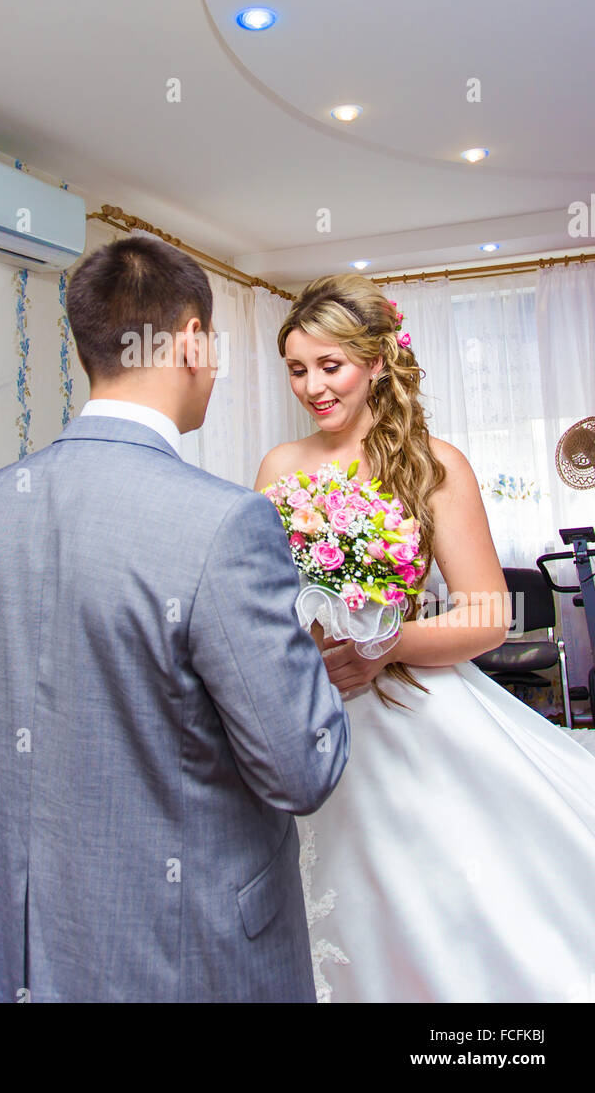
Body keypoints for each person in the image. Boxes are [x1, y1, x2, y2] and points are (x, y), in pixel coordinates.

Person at [0, 235, 349, 1003]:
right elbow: (302, 769)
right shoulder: (225, 523)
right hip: (186, 955)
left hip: (25, 948)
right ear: (191, 339)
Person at [255, 273, 595, 1003]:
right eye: (296, 369)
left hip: (411, 705)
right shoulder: (279, 469)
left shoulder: (434, 465)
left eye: (330, 365)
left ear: (377, 362)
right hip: (311, 715)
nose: (312, 386)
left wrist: (385, 645)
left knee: (439, 906)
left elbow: (484, 614)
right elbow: (256, 602)